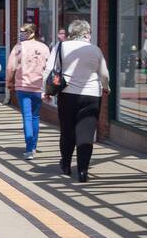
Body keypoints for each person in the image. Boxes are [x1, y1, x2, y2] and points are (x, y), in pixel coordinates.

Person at [43, 19, 109, 182]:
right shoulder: (95, 50)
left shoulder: (61, 47)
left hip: (68, 93)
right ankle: (83, 171)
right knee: (86, 133)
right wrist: (106, 87)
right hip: (92, 95)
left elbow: (49, 69)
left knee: (67, 130)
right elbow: (104, 74)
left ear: (71, 33)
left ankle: (66, 164)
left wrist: (46, 91)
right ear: (86, 33)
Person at [6, 23, 50, 159]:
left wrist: (9, 82)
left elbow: (10, 67)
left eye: (24, 31)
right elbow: (49, 67)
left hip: (23, 86)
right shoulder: (44, 47)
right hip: (38, 86)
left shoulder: (19, 47)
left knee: (27, 116)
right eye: (21, 31)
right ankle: (34, 146)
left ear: (31, 32)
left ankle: (30, 148)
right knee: (35, 117)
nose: (21, 34)